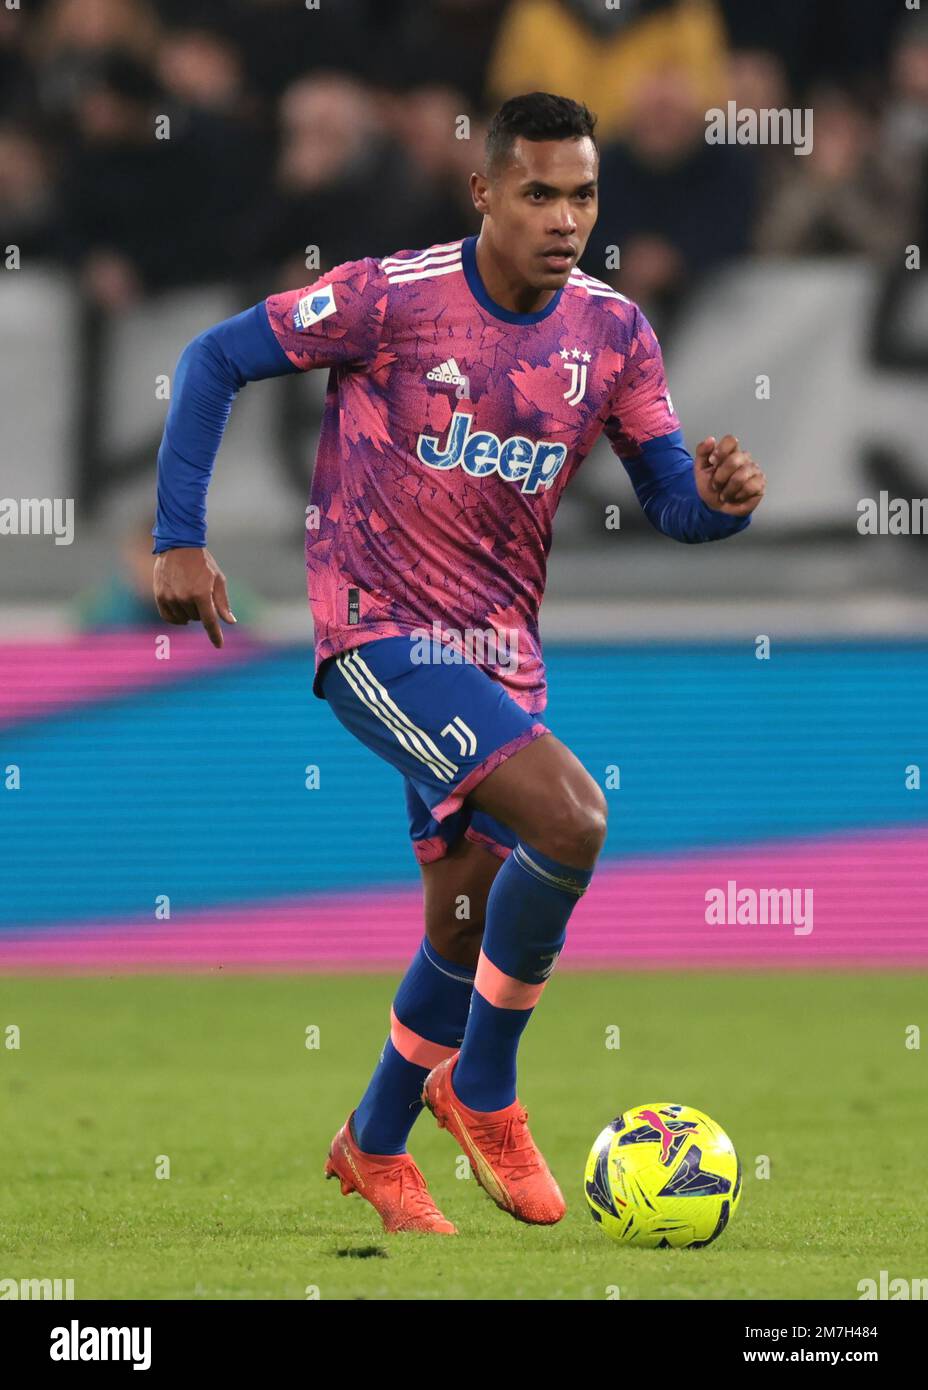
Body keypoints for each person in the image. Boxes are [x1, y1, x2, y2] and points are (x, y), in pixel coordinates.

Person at [151, 92, 766, 1236]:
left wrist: (721, 505)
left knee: (463, 924)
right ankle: (481, 1088)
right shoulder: (392, 298)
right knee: (573, 820)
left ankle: (375, 1141)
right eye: (537, 192)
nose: (564, 216)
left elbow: (673, 502)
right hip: (377, 629)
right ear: (483, 191)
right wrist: (178, 537)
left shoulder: (614, 333)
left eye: (582, 193)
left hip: (499, 656)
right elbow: (212, 357)